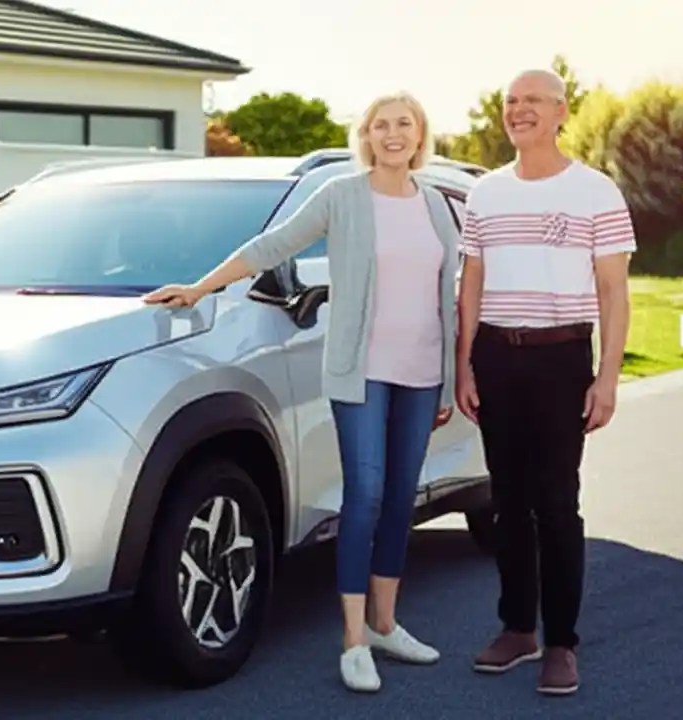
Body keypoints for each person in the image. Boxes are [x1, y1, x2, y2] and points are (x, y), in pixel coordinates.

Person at [143, 92, 460, 693]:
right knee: (364, 497)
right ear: (365, 135)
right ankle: (352, 641)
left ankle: (387, 623)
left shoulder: (437, 205)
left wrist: (448, 376)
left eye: (405, 124)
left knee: (400, 500)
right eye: (381, 124)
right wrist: (200, 286)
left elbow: (447, 294)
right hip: (359, 371)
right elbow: (272, 247)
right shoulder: (341, 195)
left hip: (421, 374)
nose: (393, 134)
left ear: (421, 135)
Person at [454, 68, 636, 696]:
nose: (518, 109)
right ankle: (516, 629)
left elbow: (614, 291)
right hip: (497, 357)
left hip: (562, 360)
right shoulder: (485, 194)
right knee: (508, 501)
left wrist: (606, 379)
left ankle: (560, 641)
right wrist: (464, 366)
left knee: (556, 503)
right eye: (509, 100)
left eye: (533, 100)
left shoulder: (596, 191)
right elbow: (470, 283)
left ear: (561, 112)